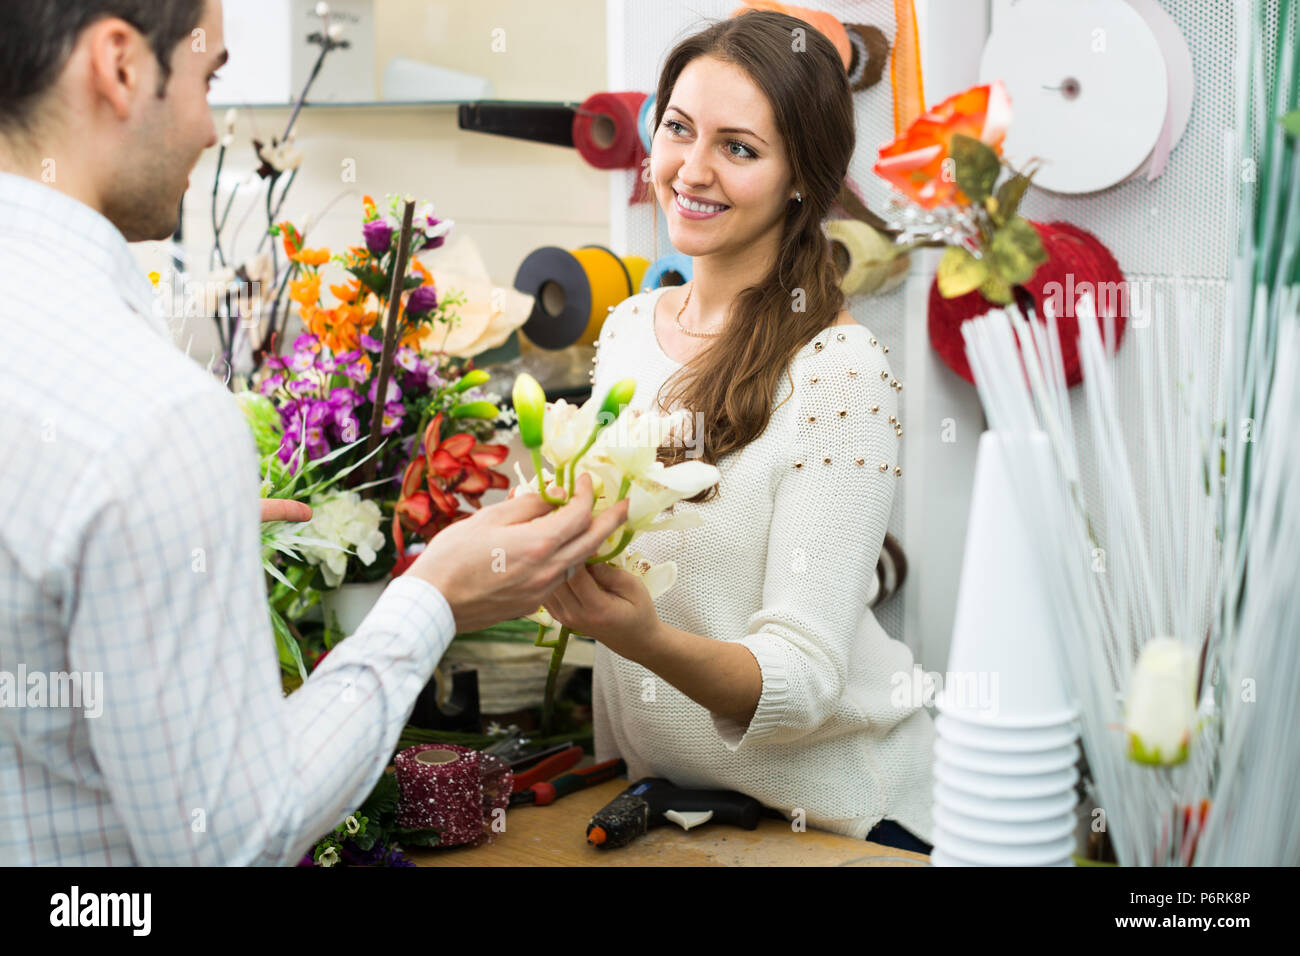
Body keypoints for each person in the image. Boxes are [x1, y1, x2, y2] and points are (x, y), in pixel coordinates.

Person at [0, 0, 628, 866]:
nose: (212, 131)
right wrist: (432, 599)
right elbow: (234, 838)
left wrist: (166, 532)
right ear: (120, 66)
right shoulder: (156, 419)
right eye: (208, 78)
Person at [539, 10, 935, 854]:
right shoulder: (628, 329)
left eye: (739, 148)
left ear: (801, 177)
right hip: (670, 815)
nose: (692, 169)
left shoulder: (840, 371)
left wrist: (640, 638)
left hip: (845, 826)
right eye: (678, 129)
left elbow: (804, 680)